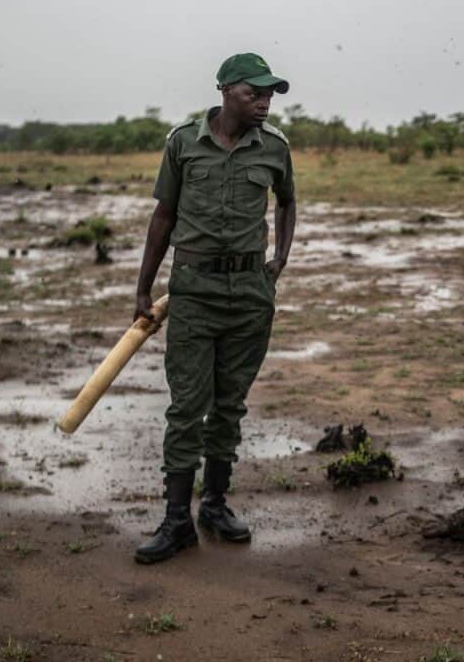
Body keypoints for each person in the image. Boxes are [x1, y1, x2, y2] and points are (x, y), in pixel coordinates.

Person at [132, 52, 296, 564]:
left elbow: (288, 201)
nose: (265, 103)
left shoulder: (274, 148)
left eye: (270, 94)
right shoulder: (183, 143)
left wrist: (280, 260)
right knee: (186, 407)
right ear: (226, 90)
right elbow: (163, 215)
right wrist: (143, 287)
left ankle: (216, 506)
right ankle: (176, 520)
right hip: (194, 292)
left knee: (229, 404)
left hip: (250, 295)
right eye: (255, 94)